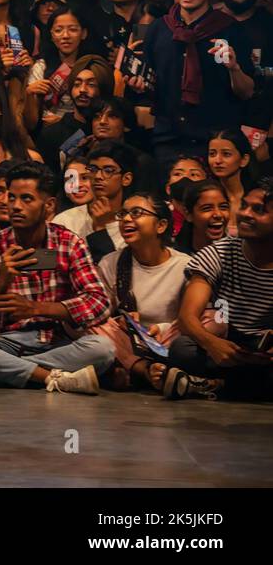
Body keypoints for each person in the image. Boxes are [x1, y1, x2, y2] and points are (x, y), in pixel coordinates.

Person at [0, 163, 115, 394]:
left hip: (56, 342)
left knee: (103, 348)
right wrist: (2, 281)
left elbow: (99, 303)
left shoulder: (69, 243)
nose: (14, 206)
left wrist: (36, 308)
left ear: (49, 205)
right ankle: (49, 377)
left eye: (26, 199)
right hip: (4, 343)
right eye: (12, 198)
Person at [165, 179, 273, 400]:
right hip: (228, 342)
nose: (245, 214)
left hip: (265, 347)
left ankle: (215, 385)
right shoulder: (219, 252)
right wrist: (212, 344)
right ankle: (238, 385)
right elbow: (187, 318)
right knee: (183, 349)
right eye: (244, 206)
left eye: (259, 210)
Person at [141, 0, 254, 162]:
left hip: (214, 144)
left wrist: (234, 68)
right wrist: (138, 83)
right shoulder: (159, 29)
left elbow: (247, 92)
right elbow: (150, 84)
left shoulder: (231, 31)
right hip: (167, 140)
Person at [90, 193, 190, 392]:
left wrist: (161, 329)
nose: (126, 219)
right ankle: (143, 369)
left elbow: (189, 318)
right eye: (123, 214)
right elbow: (103, 313)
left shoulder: (185, 265)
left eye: (136, 213)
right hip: (130, 343)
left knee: (211, 319)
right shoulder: (111, 262)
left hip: (168, 340)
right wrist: (122, 319)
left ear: (161, 226)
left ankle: (140, 371)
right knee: (87, 319)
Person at [53, 140, 136, 259]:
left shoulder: (133, 221)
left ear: (126, 179)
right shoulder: (64, 221)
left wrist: (101, 227)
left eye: (108, 171)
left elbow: (121, 272)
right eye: (93, 169)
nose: (98, 176)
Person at [207, 128, 251, 236]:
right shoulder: (204, 195)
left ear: (244, 160)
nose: (217, 161)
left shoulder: (256, 197)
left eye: (226, 154)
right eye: (212, 154)